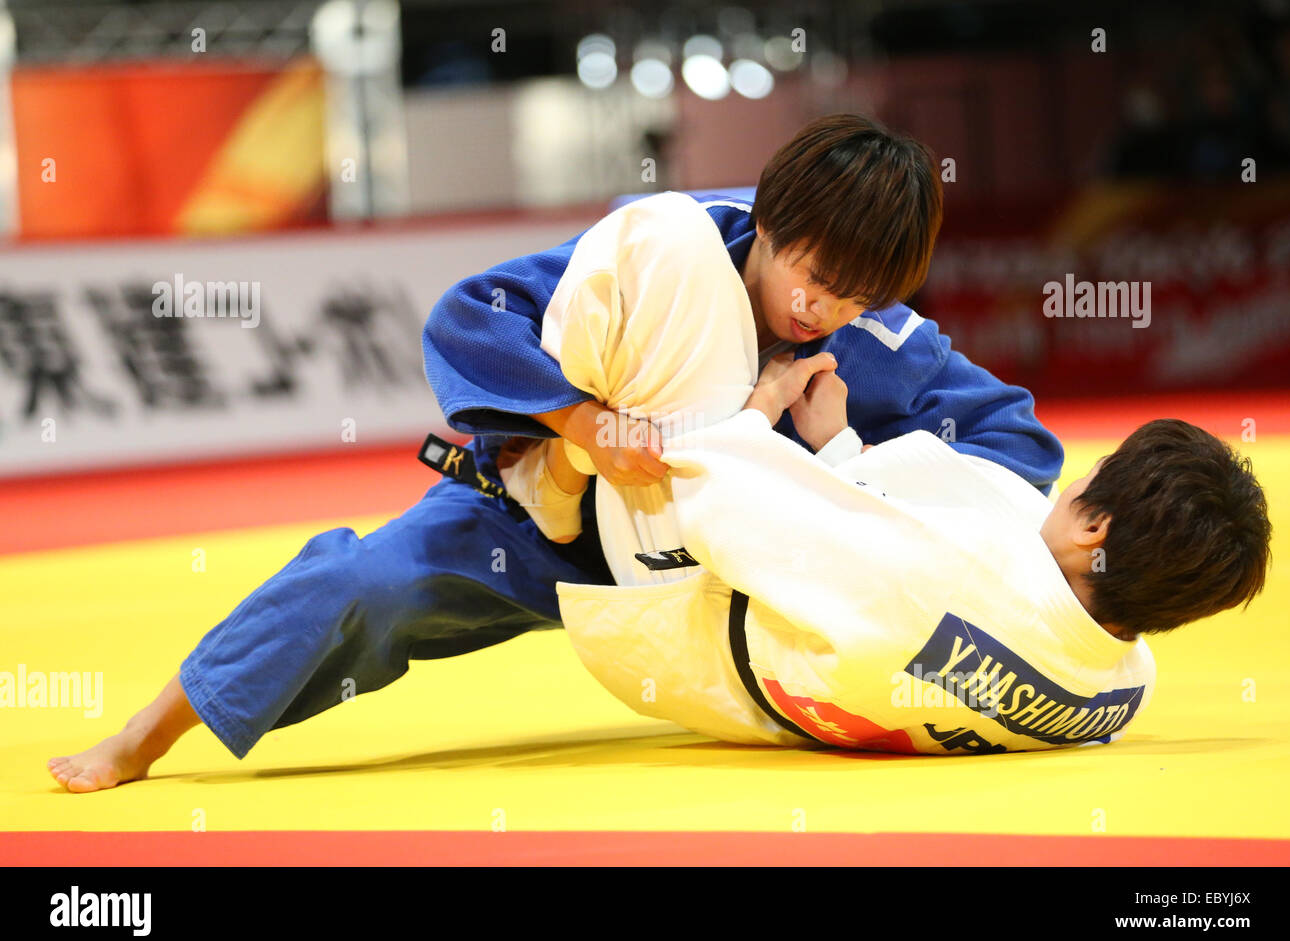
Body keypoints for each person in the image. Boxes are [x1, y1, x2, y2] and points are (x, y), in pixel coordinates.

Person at [48, 115, 1065, 792]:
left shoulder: (875, 342)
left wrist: (842, 452)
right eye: (811, 274)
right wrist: (582, 427)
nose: (820, 307)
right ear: (772, 220)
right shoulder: (666, 249)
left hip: (712, 578)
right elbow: (470, 315)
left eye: (854, 295)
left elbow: (1014, 444)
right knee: (365, 581)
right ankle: (149, 731)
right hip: (549, 519)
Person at [499, 215, 1274, 754]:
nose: (1066, 483)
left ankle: (551, 465)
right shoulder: (1124, 692)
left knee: (672, 247)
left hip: (679, 625)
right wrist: (838, 447)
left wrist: (763, 409)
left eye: (1086, 484)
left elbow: (718, 494)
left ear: (1094, 532)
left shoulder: (945, 564)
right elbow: (899, 567)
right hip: (820, 663)